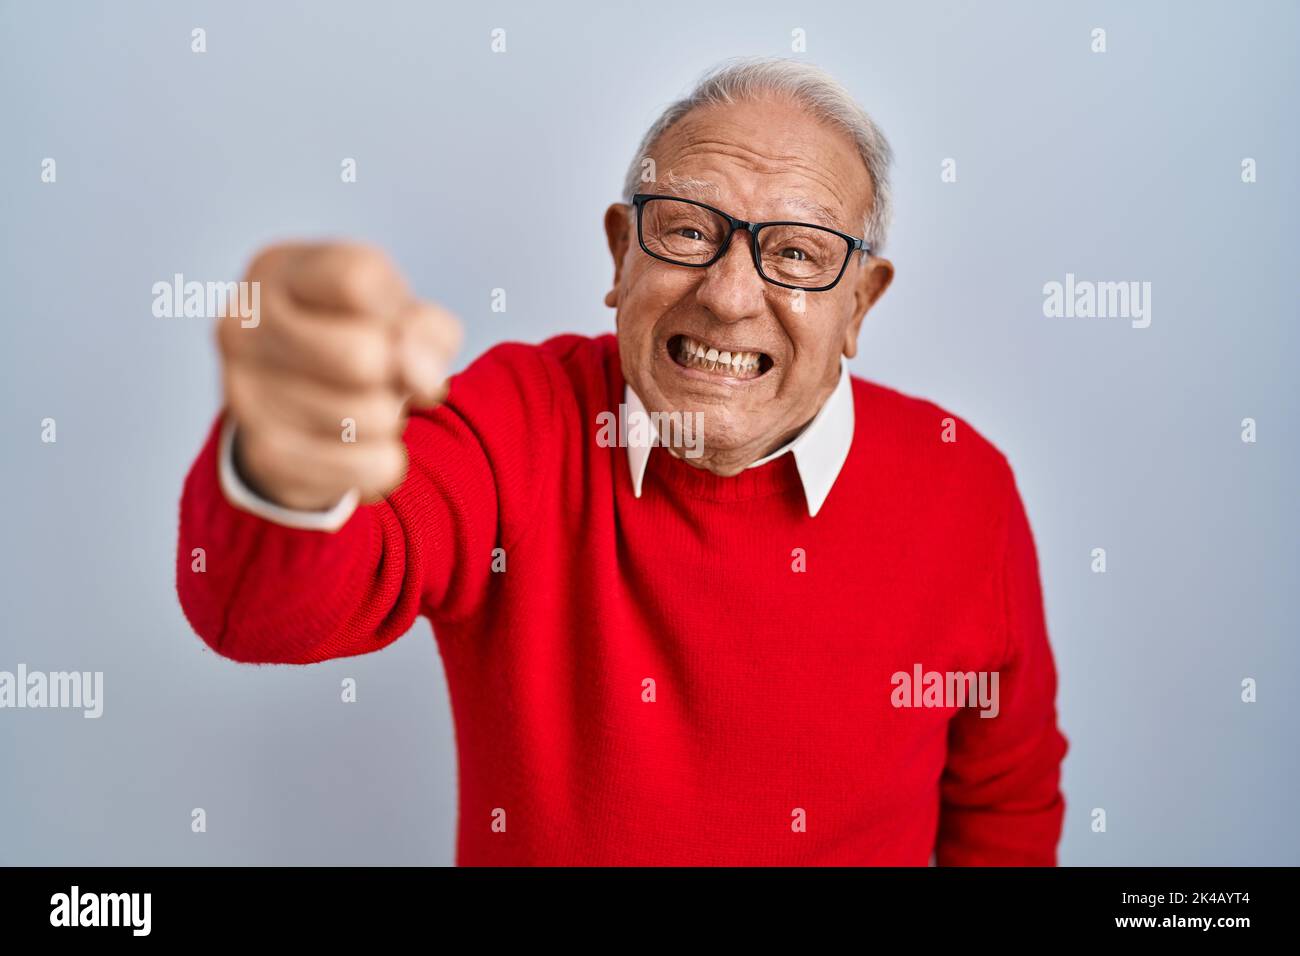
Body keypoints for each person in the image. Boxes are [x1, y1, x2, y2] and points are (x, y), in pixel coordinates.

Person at [177, 57, 1068, 865]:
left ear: (861, 306)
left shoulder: (966, 490)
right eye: (686, 231)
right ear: (620, 253)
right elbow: (262, 610)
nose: (728, 295)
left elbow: (1005, 811)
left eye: (797, 253)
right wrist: (292, 465)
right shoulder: (519, 421)